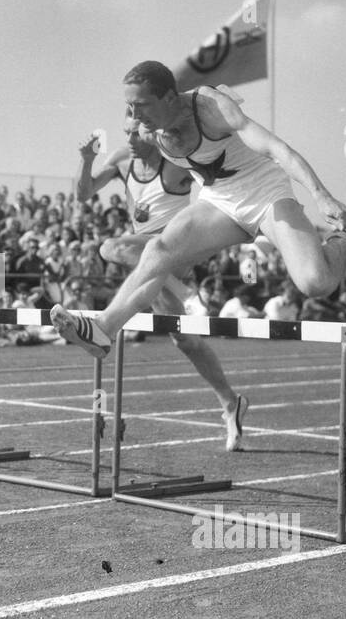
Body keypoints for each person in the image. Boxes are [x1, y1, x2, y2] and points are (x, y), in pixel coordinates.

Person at [50, 61, 346, 359]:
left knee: (315, 283)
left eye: (142, 106)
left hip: (266, 195)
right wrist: (90, 162)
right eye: (129, 107)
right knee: (158, 251)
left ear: (170, 98)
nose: (136, 117)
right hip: (219, 201)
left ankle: (343, 244)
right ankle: (103, 330)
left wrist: (320, 194)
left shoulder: (211, 107)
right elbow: (89, 190)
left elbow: (276, 148)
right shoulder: (146, 132)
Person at [75, 120, 250, 449]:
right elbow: (83, 194)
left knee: (111, 248)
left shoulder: (177, 161)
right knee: (185, 340)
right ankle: (231, 402)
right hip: (150, 266)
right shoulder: (121, 161)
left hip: (176, 252)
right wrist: (86, 161)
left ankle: (181, 294)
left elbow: (220, 181)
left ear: (154, 132)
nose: (129, 139)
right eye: (126, 132)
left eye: (136, 132)